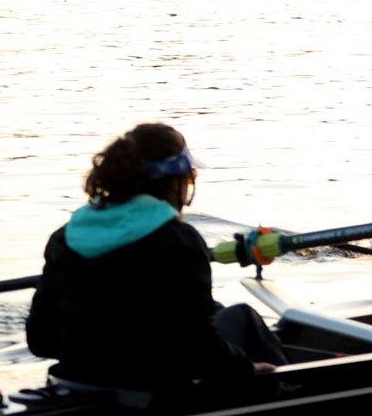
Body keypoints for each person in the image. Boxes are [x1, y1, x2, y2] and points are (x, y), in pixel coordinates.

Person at [26, 123, 281, 393]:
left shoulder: (64, 238)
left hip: (80, 381)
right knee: (243, 316)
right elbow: (202, 347)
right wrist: (246, 369)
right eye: (189, 178)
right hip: (154, 388)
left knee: (215, 311)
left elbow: (40, 339)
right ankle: (293, 388)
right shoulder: (178, 241)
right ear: (175, 183)